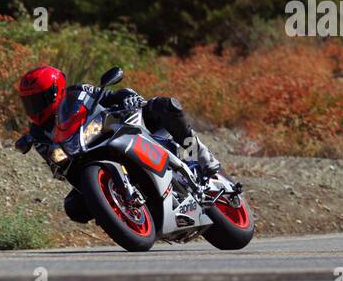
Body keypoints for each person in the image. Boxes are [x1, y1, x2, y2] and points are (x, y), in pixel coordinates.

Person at [15, 64, 220, 222]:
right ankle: (122, 212)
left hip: (114, 129)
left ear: (55, 91)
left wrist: (130, 98)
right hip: (84, 158)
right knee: (74, 207)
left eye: (39, 99)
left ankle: (202, 155)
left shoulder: (78, 93)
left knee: (165, 106)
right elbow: (58, 169)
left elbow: (110, 94)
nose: (34, 107)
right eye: (29, 102)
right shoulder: (37, 132)